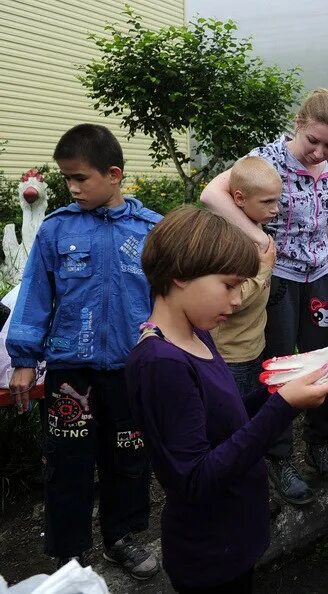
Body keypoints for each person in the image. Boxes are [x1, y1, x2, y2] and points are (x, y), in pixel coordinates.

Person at [126, 206, 328, 593]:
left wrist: (278, 391)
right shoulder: (161, 363)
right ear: (181, 275)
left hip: (232, 536)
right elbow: (194, 478)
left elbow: (227, 420)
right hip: (209, 555)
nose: (239, 298)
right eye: (229, 285)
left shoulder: (196, 333)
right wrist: (282, 407)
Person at [6, 123, 161, 577]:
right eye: (66, 178)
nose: (72, 188)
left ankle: (121, 537)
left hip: (131, 367)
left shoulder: (152, 230)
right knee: (67, 463)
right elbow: (34, 295)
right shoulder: (57, 230)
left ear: (113, 175)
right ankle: (68, 554)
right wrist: (23, 359)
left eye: (80, 178)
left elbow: (170, 297)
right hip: (71, 373)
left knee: (129, 457)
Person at [200, 88, 328, 504]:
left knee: (324, 360)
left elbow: (325, 219)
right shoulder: (266, 157)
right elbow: (211, 194)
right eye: (313, 141)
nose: (319, 152)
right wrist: (257, 237)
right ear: (298, 124)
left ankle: (320, 444)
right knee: (280, 366)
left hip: (320, 273)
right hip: (280, 278)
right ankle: (280, 457)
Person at [209, 156, 281, 397]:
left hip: (254, 348)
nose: (276, 209)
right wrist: (264, 268)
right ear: (239, 199)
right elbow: (231, 300)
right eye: (267, 202)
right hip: (232, 355)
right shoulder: (229, 241)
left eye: (277, 200)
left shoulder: (255, 226)